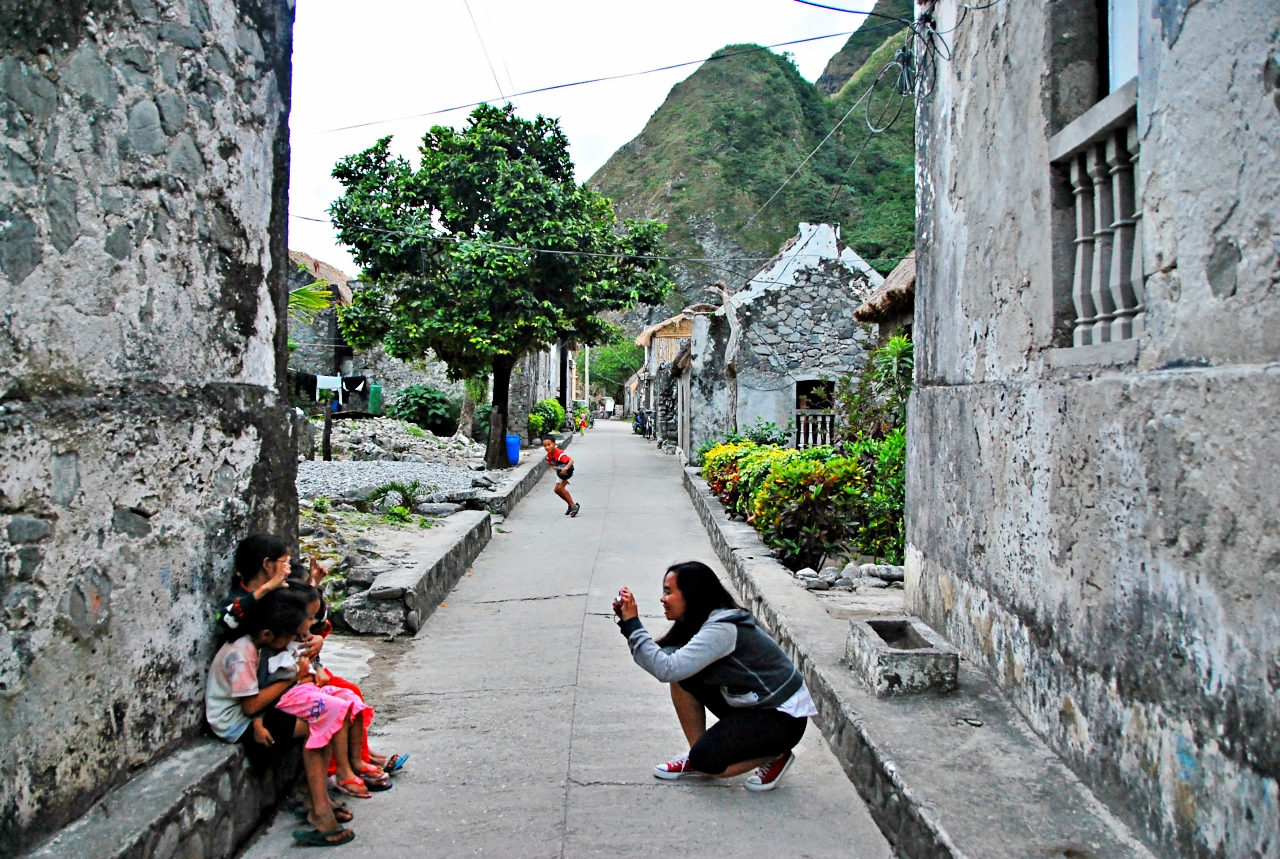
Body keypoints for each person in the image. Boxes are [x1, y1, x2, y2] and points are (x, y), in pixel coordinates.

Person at [612, 561, 816, 791]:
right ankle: (697, 752)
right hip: (754, 702)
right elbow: (669, 662)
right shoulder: (696, 622)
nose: (662, 598)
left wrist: (632, 624)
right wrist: (628, 626)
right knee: (684, 677)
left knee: (708, 764)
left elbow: (666, 667)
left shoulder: (721, 629)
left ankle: (776, 755)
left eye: (668, 592)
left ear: (692, 594)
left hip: (782, 717)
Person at [205, 588, 355, 846]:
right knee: (315, 728)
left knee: (323, 715)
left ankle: (315, 798)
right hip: (235, 723)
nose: (292, 640)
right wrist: (294, 679)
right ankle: (319, 810)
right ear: (267, 634)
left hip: (254, 710)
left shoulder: (258, 645)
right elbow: (250, 706)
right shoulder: (242, 654)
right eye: (288, 636)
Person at [541, 434, 580, 517]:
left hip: (568, 472)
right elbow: (551, 465)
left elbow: (571, 461)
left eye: (549, 444)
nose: (547, 447)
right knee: (556, 490)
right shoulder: (548, 456)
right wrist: (558, 468)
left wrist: (565, 468)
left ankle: (574, 506)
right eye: (545, 445)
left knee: (561, 488)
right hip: (561, 473)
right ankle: (570, 505)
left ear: (554, 444)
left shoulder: (559, 454)